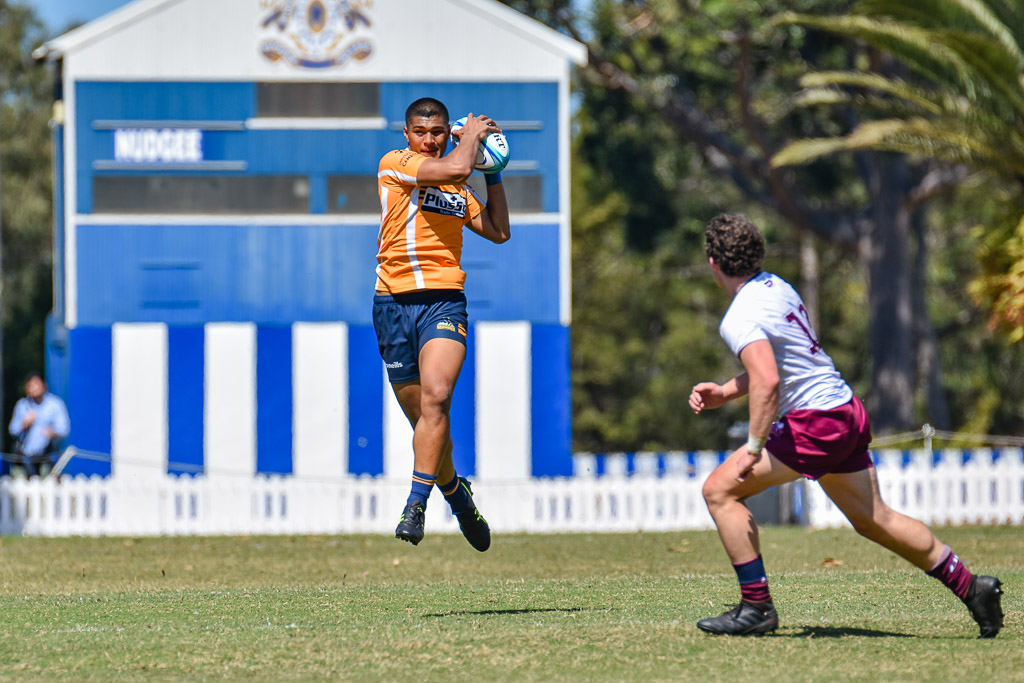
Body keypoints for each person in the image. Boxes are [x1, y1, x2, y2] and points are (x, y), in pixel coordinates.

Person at [688, 213, 1003, 638]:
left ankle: (757, 606)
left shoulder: (739, 315)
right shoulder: (777, 287)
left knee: (719, 490)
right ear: (758, 253)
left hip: (816, 422)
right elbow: (787, 363)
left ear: (713, 263)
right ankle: (972, 588)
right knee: (876, 519)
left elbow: (769, 379)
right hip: (844, 409)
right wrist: (726, 391)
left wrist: (754, 445)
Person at [374, 97, 510, 551]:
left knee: (437, 399)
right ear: (407, 134)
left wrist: (493, 170)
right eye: (421, 132)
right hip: (392, 305)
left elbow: (498, 230)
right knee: (425, 426)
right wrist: (472, 136)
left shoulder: (457, 188)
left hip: (444, 303)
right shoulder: (396, 164)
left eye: (436, 133)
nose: (429, 140)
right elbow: (452, 169)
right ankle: (457, 494)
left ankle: (415, 505)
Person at [8, 373, 70, 479]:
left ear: (44, 385)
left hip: (47, 454)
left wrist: (53, 432)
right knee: (27, 483)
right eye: (30, 386)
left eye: (36, 384)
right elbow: (13, 430)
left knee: (47, 483)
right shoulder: (22, 405)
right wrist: (24, 423)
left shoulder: (55, 404)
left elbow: (64, 428)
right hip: (26, 455)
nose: (34, 388)